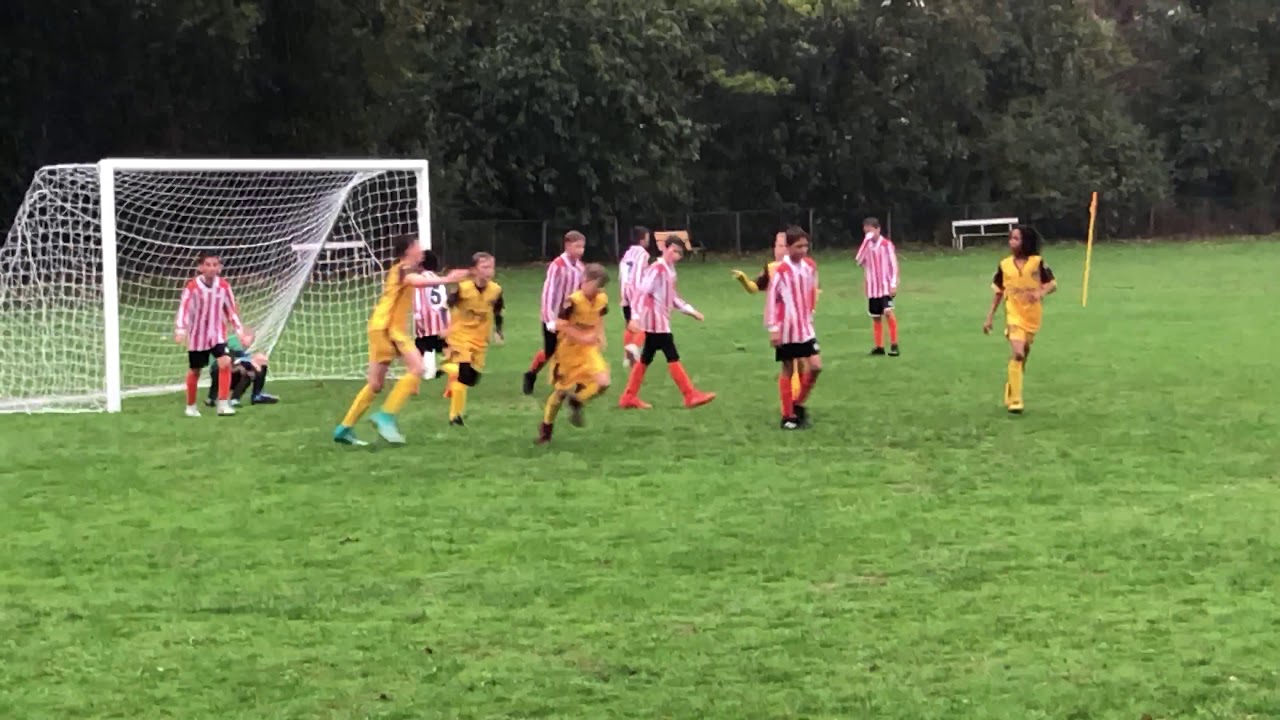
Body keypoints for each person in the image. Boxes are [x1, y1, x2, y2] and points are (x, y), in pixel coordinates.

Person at [333, 235, 470, 446]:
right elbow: (416, 281)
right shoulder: (404, 268)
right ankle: (386, 415)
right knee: (417, 367)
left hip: (378, 327)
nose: (421, 249)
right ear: (408, 250)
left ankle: (344, 428)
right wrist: (448, 279)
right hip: (390, 328)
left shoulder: (402, 268)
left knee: (375, 384)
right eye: (417, 245)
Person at [617, 236, 715, 409]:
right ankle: (689, 395)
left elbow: (672, 298)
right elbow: (641, 292)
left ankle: (629, 396)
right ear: (664, 248)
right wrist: (635, 317)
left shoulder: (670, 271)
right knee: (671, 355)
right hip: (656, 322)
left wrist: (691, 311)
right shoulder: (658, 268)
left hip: (660, 321)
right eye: (673, 250)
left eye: (679, 253)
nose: (675, 255)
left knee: (646, 357)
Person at [983, 224, 1056, 414]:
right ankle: (1016, 400)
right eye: (1010, 238)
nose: (1011, 242)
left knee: (1023, 355)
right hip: (1013, 313)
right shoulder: (1004, 265)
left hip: (1032, 315)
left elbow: (1052, 284)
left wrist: (1039, 292)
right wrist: (989, 317)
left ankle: (1011, 387)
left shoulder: (1037, 262)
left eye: (1016, 238)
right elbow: (998, 293)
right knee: (1018, 353)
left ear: (1025, 241)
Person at [537, 263, 612, 444]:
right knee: (560, 393)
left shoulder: (602, 299)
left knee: (604, 382)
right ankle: (546, 429)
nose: (598, 290)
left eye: (601, 286)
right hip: (568, 351)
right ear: (585, 281)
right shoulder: (573, 301)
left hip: (588, 350)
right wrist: (581, 337)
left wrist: (600, 335)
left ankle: (577, 402)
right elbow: (561, 324)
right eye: (596, 285)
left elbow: (600, 317)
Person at [175, 251, 251, 417]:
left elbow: (231, 310)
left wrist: (240, 332)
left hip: (216, 335)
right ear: (200, 267)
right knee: (195, 370)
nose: (211, 268)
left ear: (220, 268)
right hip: (197, 337)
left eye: (215, 265)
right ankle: (191, 406)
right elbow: (184, 308)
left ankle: (223, 404)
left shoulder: (224, 286)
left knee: (225, 362)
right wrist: (181, 329)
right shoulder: (192, 287)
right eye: (207, 265)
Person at [733, 230, 802, 397]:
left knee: (801, 362)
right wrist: (744, 280)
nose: (780, 249)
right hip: (780, 322)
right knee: (790, 361)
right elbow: (754, 288)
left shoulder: (800, 266)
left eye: (784, 246)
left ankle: (796, 398)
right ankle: (793, 400)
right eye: (777, 245)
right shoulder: (771, 268)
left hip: (799, 321)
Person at [768, 226, 823, 430]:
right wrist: (773, 328)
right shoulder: (781, 271)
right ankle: (787, 415)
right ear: (789, 247)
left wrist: (810, 314)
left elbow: (811, 291)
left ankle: (797, 403)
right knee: (788, 368)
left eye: (806, 246)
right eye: (798, 246)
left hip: (805, 327)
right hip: (787, 328)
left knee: (816, 366)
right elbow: (772, 300)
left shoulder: (809, 267)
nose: (803, 250)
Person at [442, 252, 505, 426]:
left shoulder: (496, 290)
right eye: (484, 267)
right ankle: (455, 416)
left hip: (480, 339)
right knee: (462, 373)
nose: (489, 271)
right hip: (460, 336)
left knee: (471, 379)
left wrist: (498, 331)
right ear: (474, 270)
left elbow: (498, 311)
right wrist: (444, 329)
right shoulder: (462, 288)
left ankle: (446, 368)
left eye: (491, 267)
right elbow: (445, 306)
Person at [523, 231, 585, 394]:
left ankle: (577, 380)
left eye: (582, 247)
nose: (580, 250)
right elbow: (549, 292)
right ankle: (531, 374)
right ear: (567, 246)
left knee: (575, 348)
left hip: (570, 317)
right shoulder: (557, 265)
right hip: (553, 316)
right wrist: (549, 317)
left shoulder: (580, 266)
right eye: (577, 246)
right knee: (550, 351)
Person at [854, 217, 900, 356]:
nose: (868, 233)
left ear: (878, 229)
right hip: (873, 288)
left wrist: (893, 283)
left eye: (871, 230)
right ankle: (879, 346)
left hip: (885, 286)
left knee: (888, 312)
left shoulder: (886, 245)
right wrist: (865, 241)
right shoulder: (867, 245)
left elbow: (893, 265)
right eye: (866, 231)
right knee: (875, 316)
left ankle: (894, 345)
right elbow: (859, 261)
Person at [411, 249, 453, 395]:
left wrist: (418, 319)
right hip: (442, 324)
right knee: (450, 354)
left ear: (421, 264)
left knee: (415, 356)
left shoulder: (421, 279)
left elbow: (419, 301)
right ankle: (451, 387)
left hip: (427, 325)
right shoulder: (439, 280)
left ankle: (412, 388)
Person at [206, 332, 277, 406]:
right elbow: (222, 366)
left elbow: (243, 361)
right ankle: (228, 399)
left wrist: (254, 364)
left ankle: (256, 395)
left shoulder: (239, 352)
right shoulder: (230, 347)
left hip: (230, 375)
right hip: (222, 377)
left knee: (257, 367)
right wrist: (240, 367)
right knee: (248, 372)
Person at [617, 226, 652, 367]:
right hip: (636, 294)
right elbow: (637, 276)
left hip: (624, 294)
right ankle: (634, 346)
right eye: (648, 237)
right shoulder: (643, 254)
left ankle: (628, 358)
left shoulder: (627, 253)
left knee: (630, 326)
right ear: (643, 239)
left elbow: (622, 274)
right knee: (647, 325)